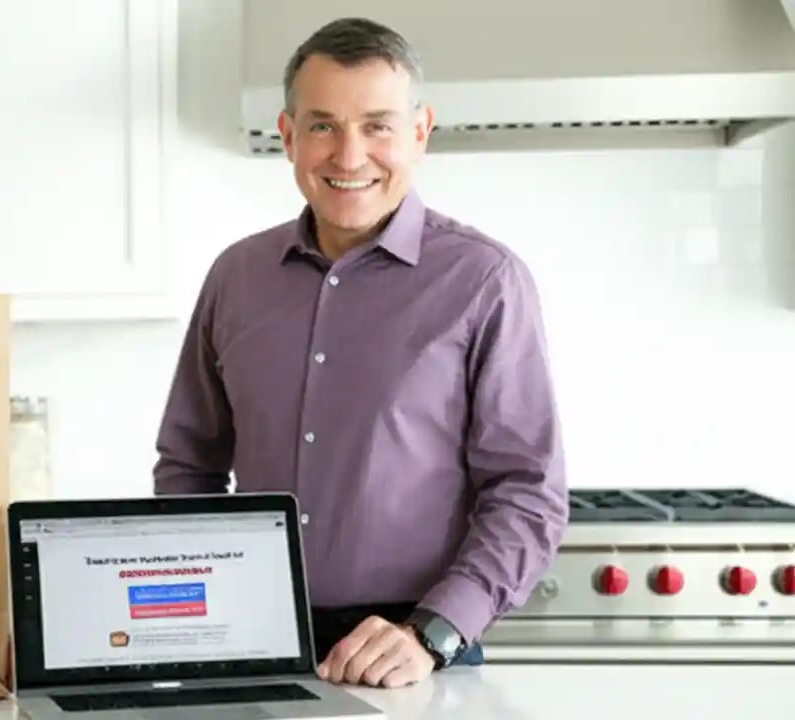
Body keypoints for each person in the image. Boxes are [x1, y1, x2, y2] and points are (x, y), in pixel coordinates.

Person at [152, 17, 569, 689]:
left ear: (419, 132)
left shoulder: (484, 281)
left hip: (415, 648)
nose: (348, 157)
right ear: (288, 136)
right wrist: (202, 603)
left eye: (377, 125)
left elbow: (527, 493)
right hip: (253, 640)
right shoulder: (236, 276)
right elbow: (188, 466)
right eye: (322, 126)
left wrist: (431, 634)